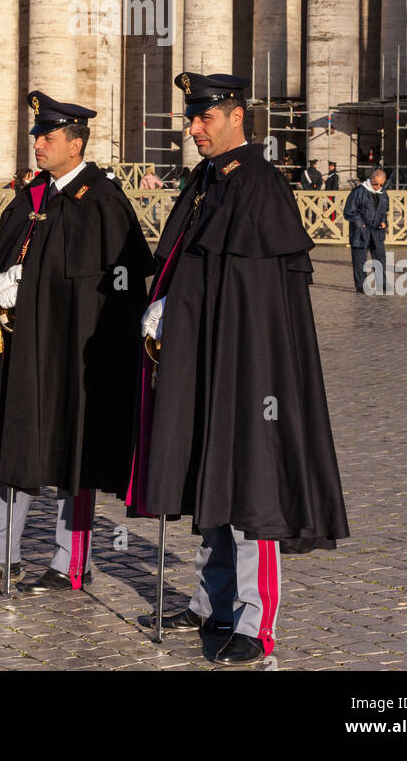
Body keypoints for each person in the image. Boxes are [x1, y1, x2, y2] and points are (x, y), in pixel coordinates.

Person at [128, 71, 349, 665]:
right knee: (210, 472)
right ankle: (212, 603)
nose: (192, 128)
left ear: (235, 116)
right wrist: (167, 303)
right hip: (202, 357)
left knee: (254, 483)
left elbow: (258, 296)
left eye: (203, 118)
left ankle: (256, 621)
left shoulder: (259, 184)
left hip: (253, 367)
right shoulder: (206, 181)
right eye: (190, 118)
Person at [0, 91, 154, 593]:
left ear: (76, 144)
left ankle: (70, 561)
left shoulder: (102, 199)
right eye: (37, 135)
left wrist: (36, 285)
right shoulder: (32, 195)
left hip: (75, 353)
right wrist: (4, 281)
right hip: (21, 347)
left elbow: (117, 284)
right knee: (14, 443)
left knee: (74, 452)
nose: (39, 143)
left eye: (49, 136)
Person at [344, 168, 389, 294]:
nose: (378, 186)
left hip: (377, 231)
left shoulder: (383, 192)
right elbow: (349, 211)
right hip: (361, 232)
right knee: (360, 260)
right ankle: (361, 285)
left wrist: (384, 222)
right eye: (376, 183)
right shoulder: (358, 191)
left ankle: (382, 282)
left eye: (381, 184)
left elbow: (385, 210)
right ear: (371, 179)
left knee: (380, 258)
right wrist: (360, 224)